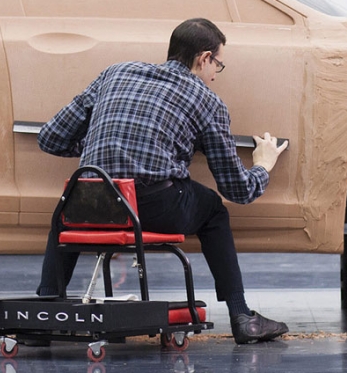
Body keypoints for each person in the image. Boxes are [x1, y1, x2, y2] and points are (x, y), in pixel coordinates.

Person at [36, 18, 289, 344]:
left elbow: (50, 137)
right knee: (214, 209)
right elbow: (237, 189)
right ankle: (241, 316)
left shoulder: (115, 73)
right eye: (218, 65)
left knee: (69, 208)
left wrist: (102, 147)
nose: (215, 74)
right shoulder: (206, 100)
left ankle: (44, 308)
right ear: (204, 58)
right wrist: (263, 165)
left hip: (94, 204)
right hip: (151, 207)